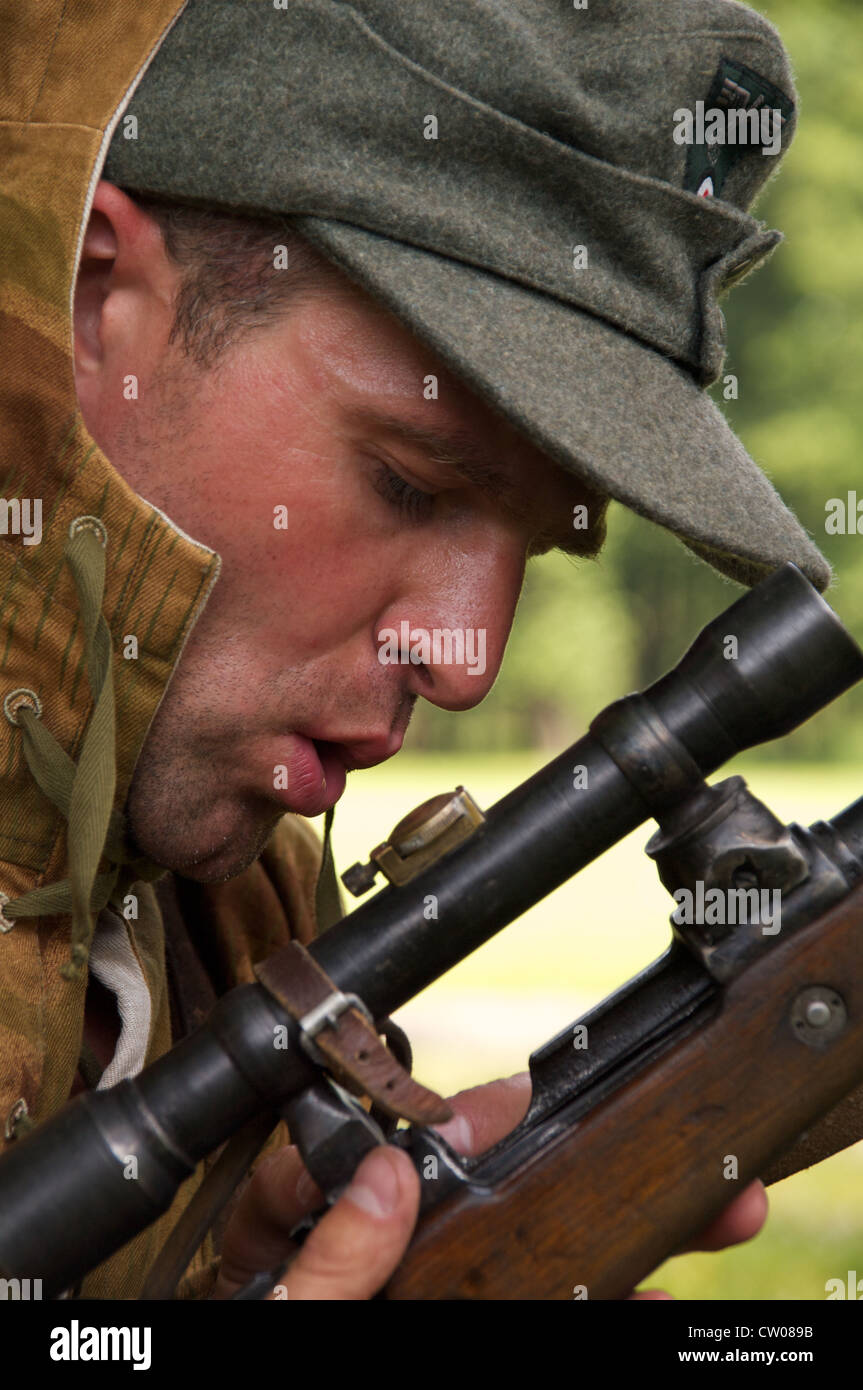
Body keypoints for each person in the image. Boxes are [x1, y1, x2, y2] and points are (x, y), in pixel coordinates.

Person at [0, 0, 836, 1300]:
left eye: (537, 545)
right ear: (101, 295)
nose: (470, 661)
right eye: (410, 482)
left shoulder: (236, 926)